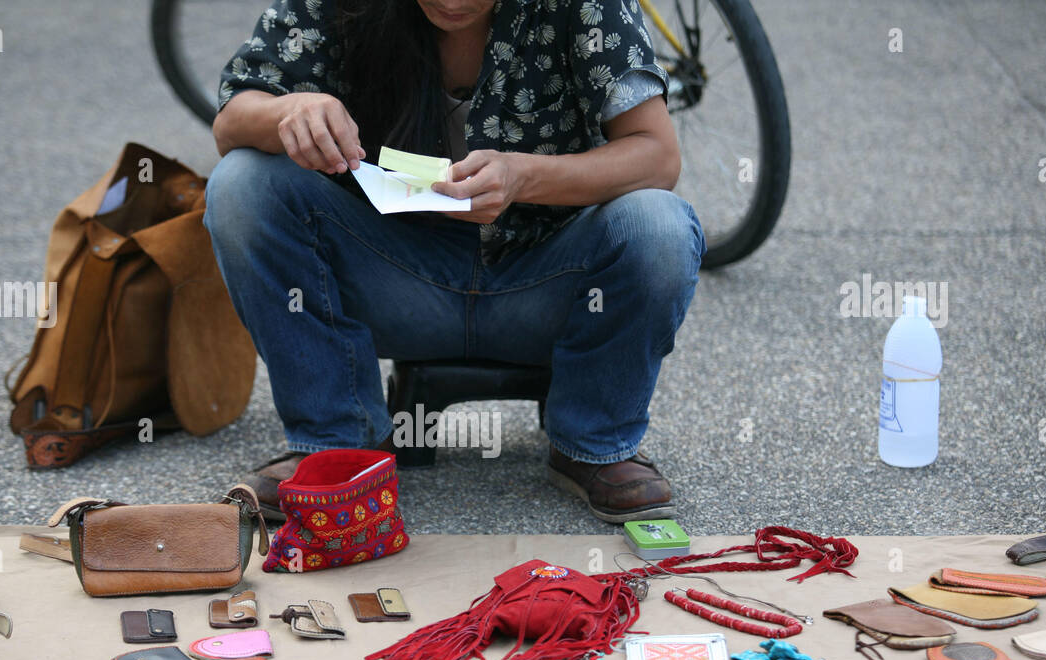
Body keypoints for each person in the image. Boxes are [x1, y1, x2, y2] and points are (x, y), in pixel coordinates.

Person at [204, 0, 704, 523]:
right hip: (392, 279)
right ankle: (335, 443)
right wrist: (289, 110)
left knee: (659, 226)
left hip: (550, 280)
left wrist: (523, 176)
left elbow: (658, 155)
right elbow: (232, 122)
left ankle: (595, 444)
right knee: (243, 185)